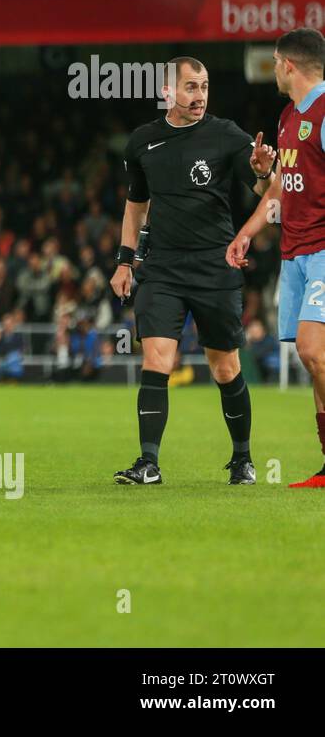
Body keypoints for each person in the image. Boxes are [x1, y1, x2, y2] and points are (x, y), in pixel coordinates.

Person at [111, 56, 273, 486]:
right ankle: (149, 463)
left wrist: (262, 170)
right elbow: (136, 207)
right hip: (162, 267)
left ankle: (242, 459)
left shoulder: (226, 135)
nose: (199, 96)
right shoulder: (143, 142)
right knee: (157, 359)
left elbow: (259, 186)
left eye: (203, 87)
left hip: (213, 266)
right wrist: (125, 261)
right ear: (168, 91)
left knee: (225, 368)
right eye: (190, 87)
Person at [228, 27, 325, 487]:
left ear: (288, 64)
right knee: (312, 360)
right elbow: (281, 189)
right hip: (294, 254)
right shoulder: (288, 117)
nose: (273, 70)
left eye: (275, 62)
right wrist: (246, 234)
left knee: (313, 350)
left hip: (323, 249)